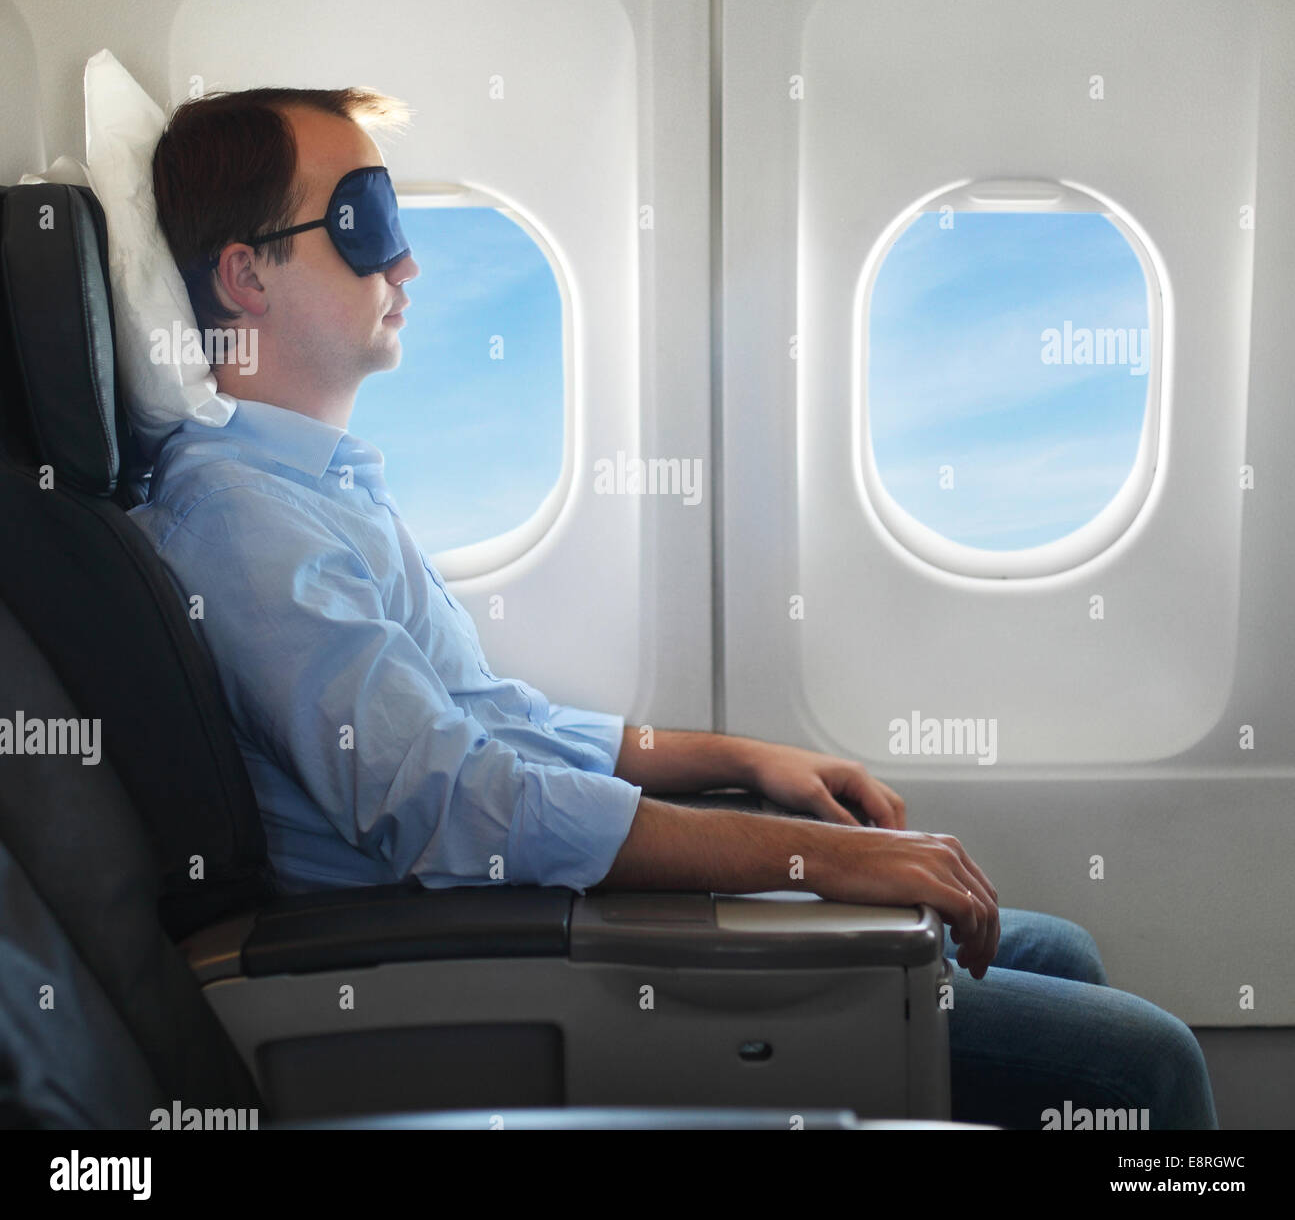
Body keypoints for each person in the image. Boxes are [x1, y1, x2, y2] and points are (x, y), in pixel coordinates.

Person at [131, 85, 1218, 1130]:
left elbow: (491, 719)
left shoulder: (319, 494)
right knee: (1145, 1066)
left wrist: (740, 760)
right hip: (467, 966)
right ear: (246, 275)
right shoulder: (240, 521)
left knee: (1058, 951)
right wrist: (813, 858)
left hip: (517, 920)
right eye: (364, 223)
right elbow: (453, 802)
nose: (407, 258)